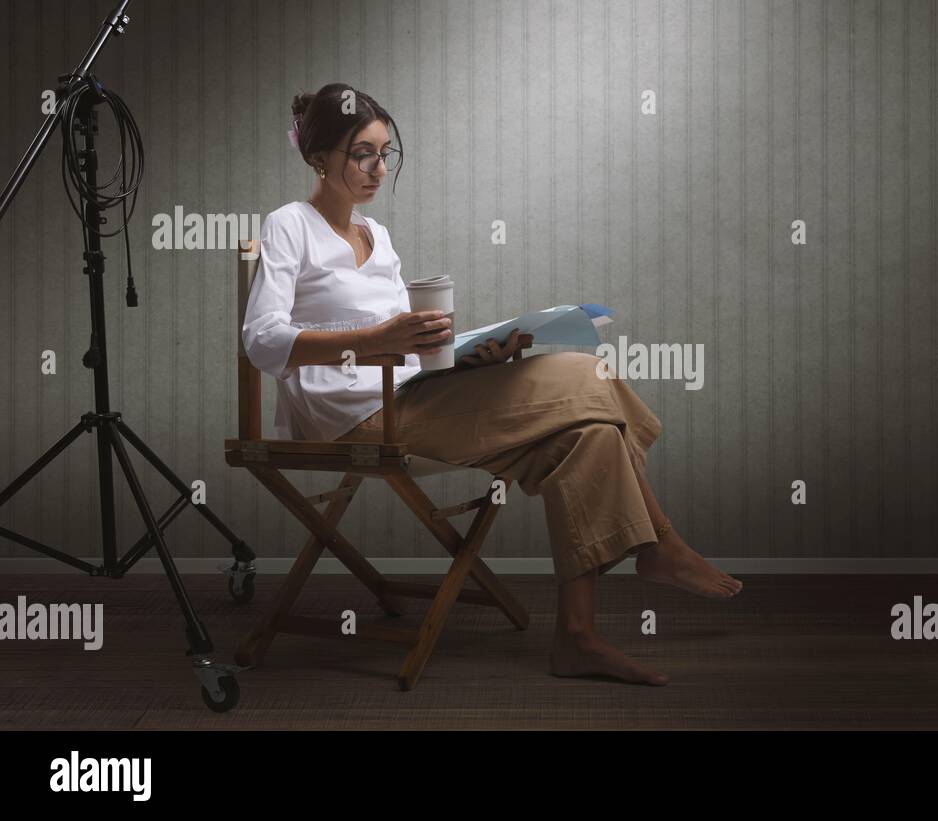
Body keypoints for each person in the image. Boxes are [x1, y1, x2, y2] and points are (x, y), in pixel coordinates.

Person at [242, 83, 741, 686]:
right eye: (362, 154)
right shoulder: (289, 225)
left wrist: (473, 354)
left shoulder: (380, 238)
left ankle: (577, 639)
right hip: (355, 417)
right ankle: (661, 543)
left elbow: (412, 350)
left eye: (385, 153)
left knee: (588, 440)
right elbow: (263, 340)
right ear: (319, 156)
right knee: (590, 373)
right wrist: (376, 340)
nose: (378, 169)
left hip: (415, 397)